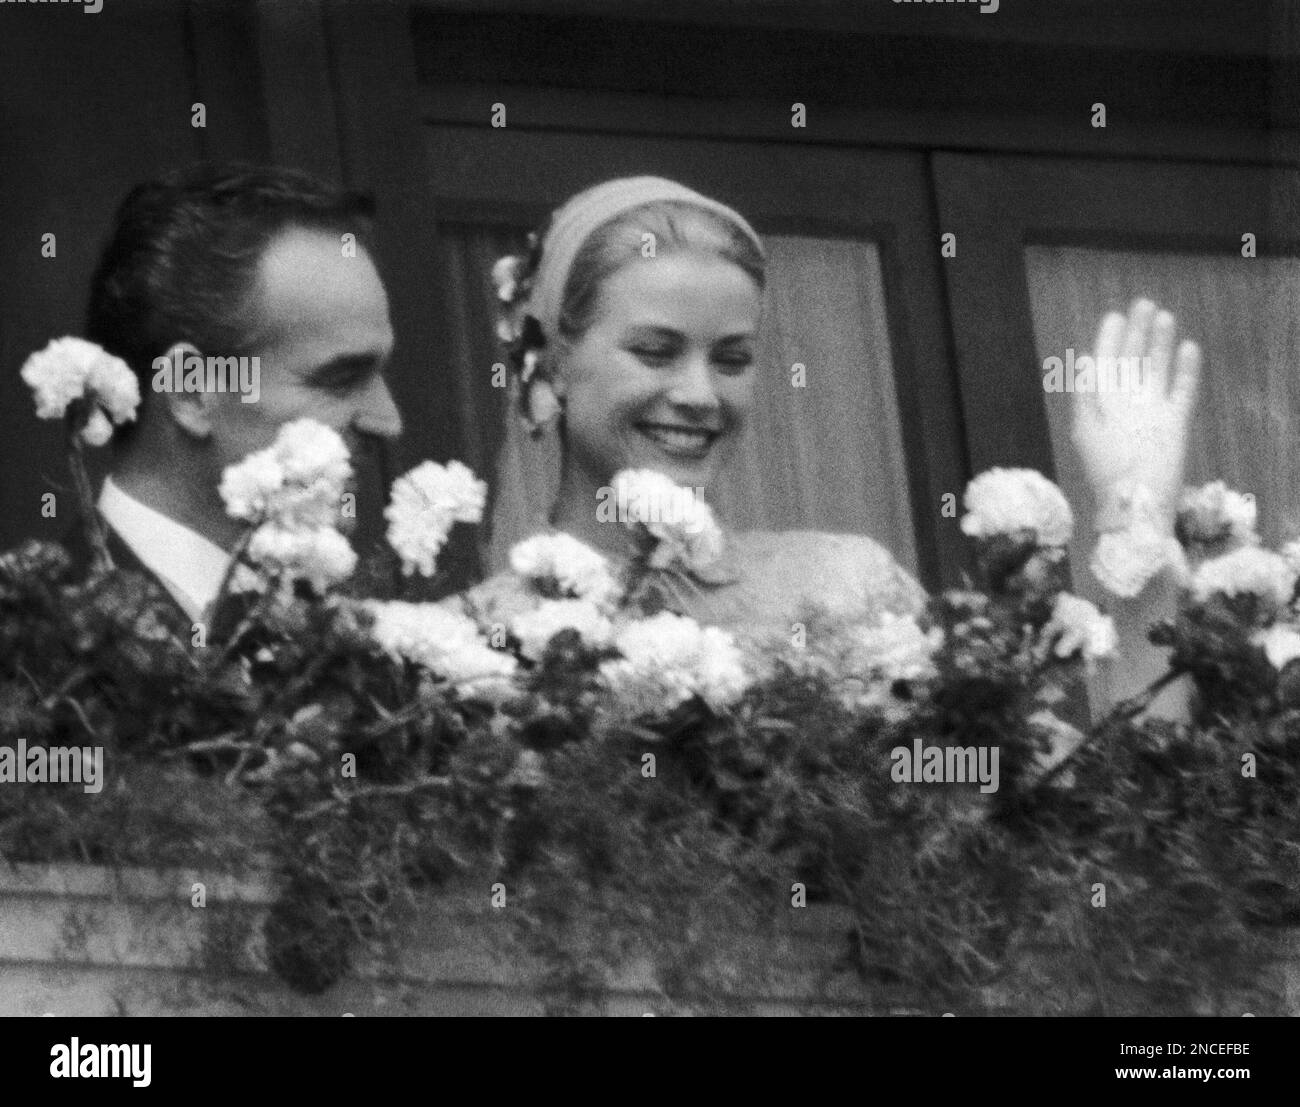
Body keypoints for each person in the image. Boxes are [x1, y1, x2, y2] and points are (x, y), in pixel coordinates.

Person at [463, 175, 925, 647]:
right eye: (655, 352)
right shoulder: (477, 642)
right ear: (556, 363)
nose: (701, 396)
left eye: (731, 360)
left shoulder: (850, 592)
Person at [75, 163, 404, 621]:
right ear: (193, 391)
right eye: (341, 379)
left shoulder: (350, 634)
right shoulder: (34, 644)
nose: (389, 421)